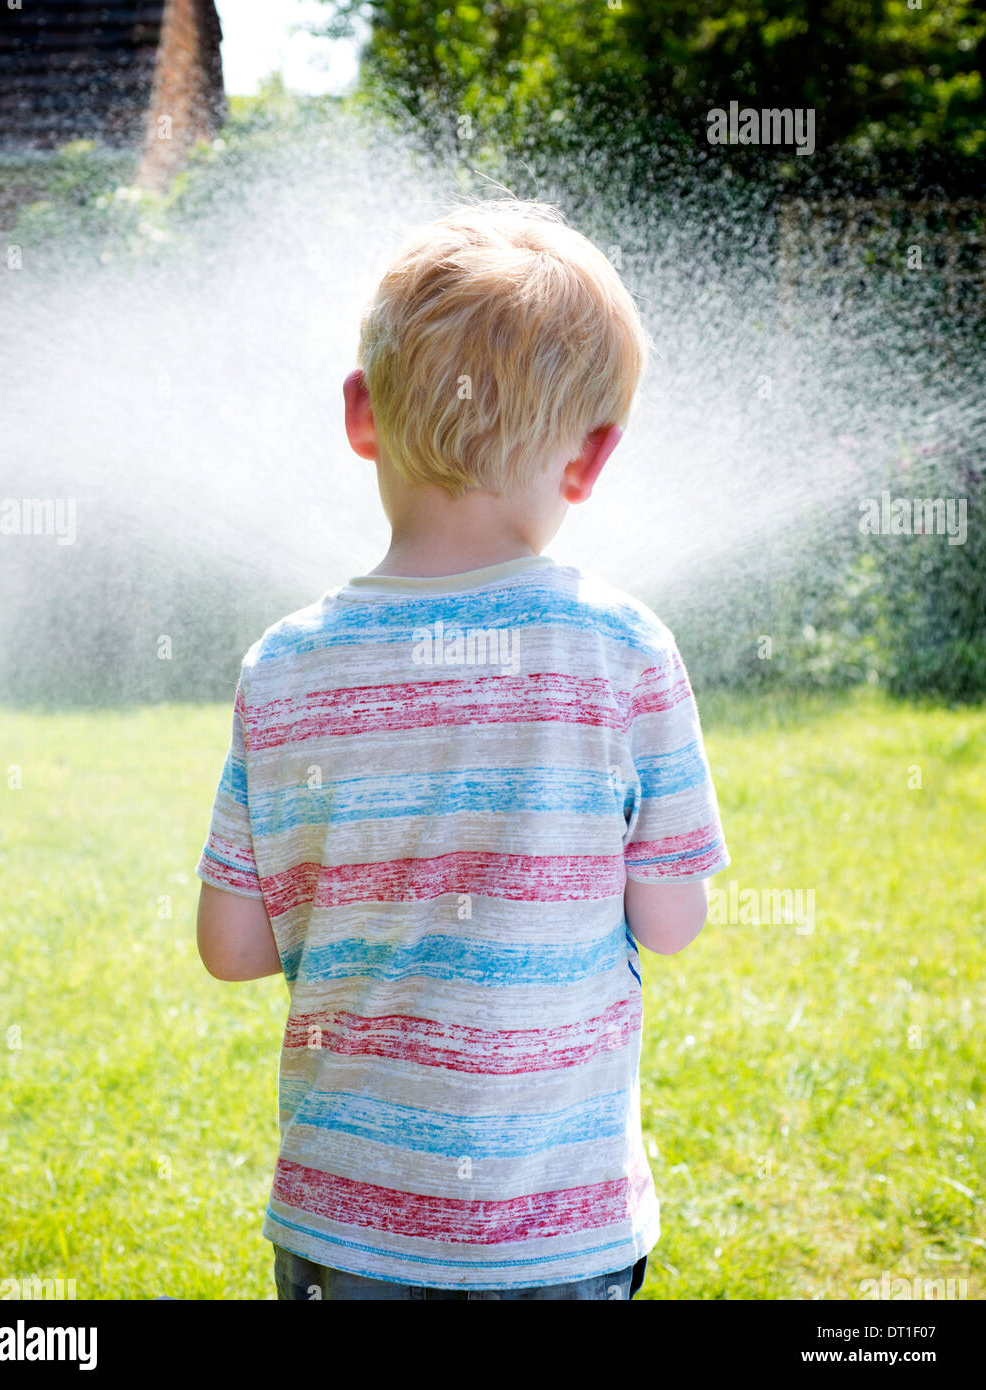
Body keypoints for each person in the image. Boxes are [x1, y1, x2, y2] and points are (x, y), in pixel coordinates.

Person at [195, 197, 730, 1300]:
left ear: (360, 413)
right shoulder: (620, 648)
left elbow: (233, 945)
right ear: (590, 458)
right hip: (554, 1231)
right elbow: (670, 922)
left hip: (342, 1226)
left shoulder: (283, 663)